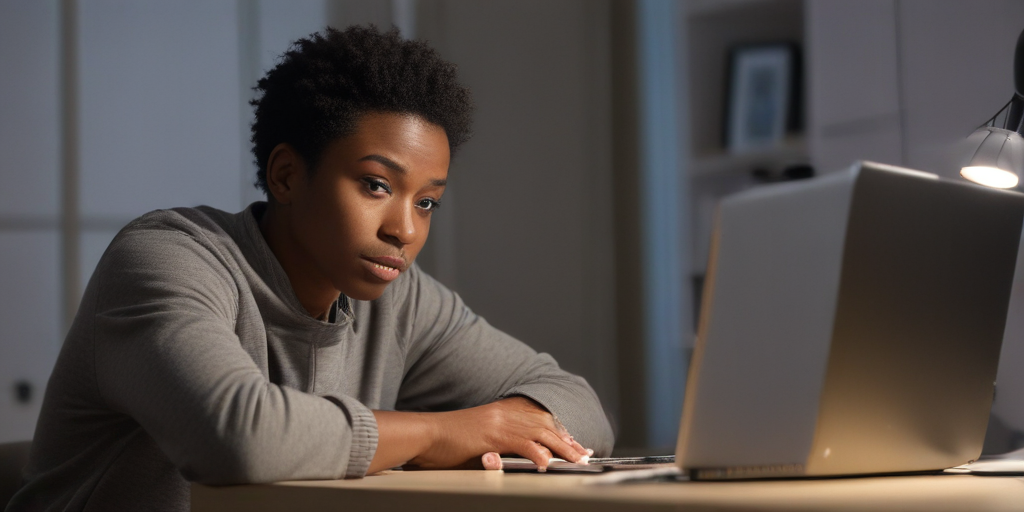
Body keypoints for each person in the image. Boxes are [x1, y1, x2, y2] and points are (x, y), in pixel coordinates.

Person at [7, 25, 613, 512]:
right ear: (287, 176)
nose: (404, 230)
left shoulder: (399, 300)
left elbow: (578, 404)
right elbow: (239, 438)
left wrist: (501, 429)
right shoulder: (166, 258)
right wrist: (442, 433)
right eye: (376, 185)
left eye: (427, 202)